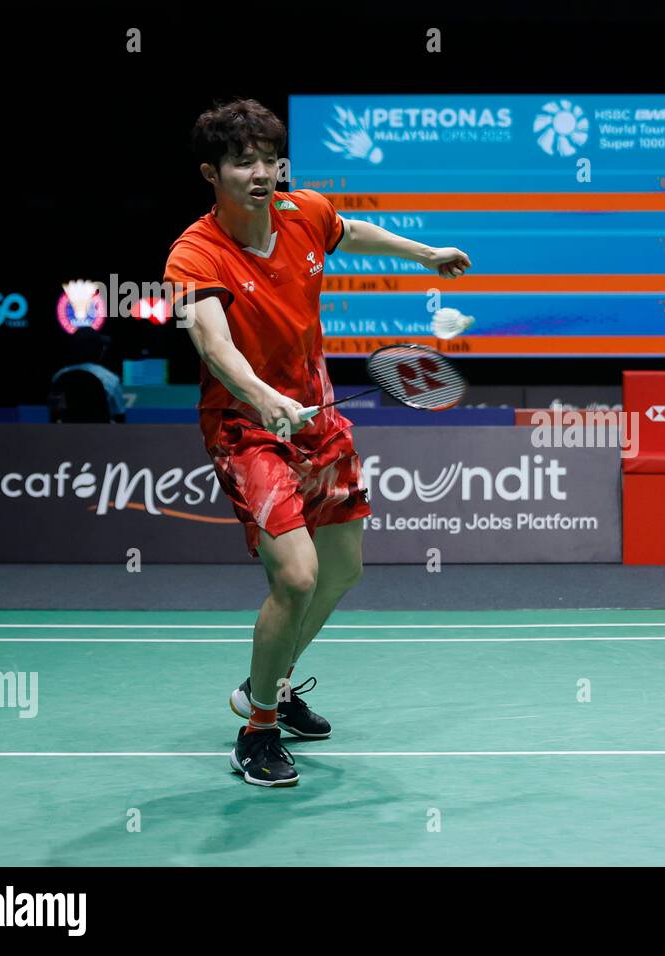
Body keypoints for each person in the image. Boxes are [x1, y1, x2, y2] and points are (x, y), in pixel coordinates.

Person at [163, 99, 470, 787]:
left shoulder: (305, 213)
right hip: (247, 428)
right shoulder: (194, 252)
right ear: (212, 173)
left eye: (271, 161)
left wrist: (426, 255)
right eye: (245, 163)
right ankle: (258, 729)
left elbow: (349, 230)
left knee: (343, 570)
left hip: (320, 417)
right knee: (295, 576)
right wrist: (264, 399)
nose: (263, 173)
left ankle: (266, 683)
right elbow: (213, 344)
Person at [49, 327, 127, 422]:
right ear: (98, 350)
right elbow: (120, 416)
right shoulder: (110, 379)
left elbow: (54, 415)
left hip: (67, 435)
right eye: (101, 346)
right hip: (102, 436)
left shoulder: (58, 377)